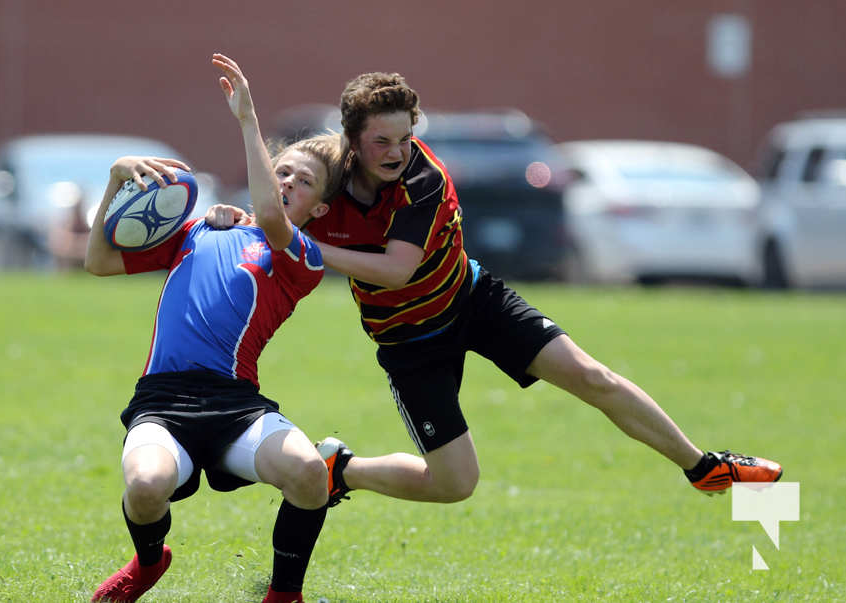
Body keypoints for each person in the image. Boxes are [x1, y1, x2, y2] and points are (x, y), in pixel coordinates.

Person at [208, 71, 782, 512]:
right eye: (382, 140)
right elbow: (279, 211)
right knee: (457, 485)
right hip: (409, 341)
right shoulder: (328, 177)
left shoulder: (422, 180)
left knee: (590, 375)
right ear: (352, 142)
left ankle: (703, 464)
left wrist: (308, 249)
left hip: (472, 301)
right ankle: (343, 471)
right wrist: (242, 217)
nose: (397, 151)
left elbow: (397, 271)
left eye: (405, 137)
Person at [85, 53, 344, 603]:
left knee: (308, 474)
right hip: (163, 400)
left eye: (305, 181)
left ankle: (284, 595)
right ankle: (149, 563)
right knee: (146, 485)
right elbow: (99, 261)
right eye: (283, 171)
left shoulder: (302, 257)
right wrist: (113, 182)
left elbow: (272, 219)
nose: (289, 180)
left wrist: (249, 121)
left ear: (319, 210)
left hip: (236, 406)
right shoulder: (196, 232)